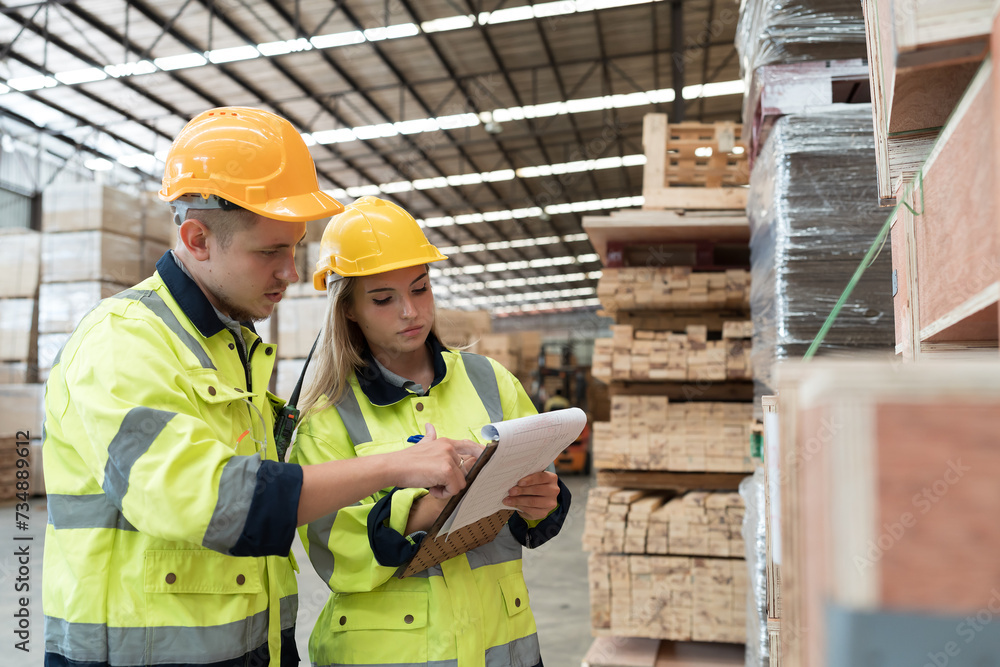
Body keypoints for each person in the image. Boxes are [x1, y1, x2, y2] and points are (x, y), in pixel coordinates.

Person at [41, 108, 479, 667]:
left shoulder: (231, 349)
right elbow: (218, 501)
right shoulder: (121, 344)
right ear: (198, 239)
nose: (291, 273)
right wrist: (397, 466)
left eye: (294, 249)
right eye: (270, 251)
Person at [290, 195, 572, 667]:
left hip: (501, 647)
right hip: (393, 654)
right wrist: (433, 504)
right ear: (349, 309)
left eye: (420, 289)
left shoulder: (490, 381)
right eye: (384, 298)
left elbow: (539, 479)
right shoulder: (327, 417)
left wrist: (543, 500)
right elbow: (336, 551)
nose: (410, 311)